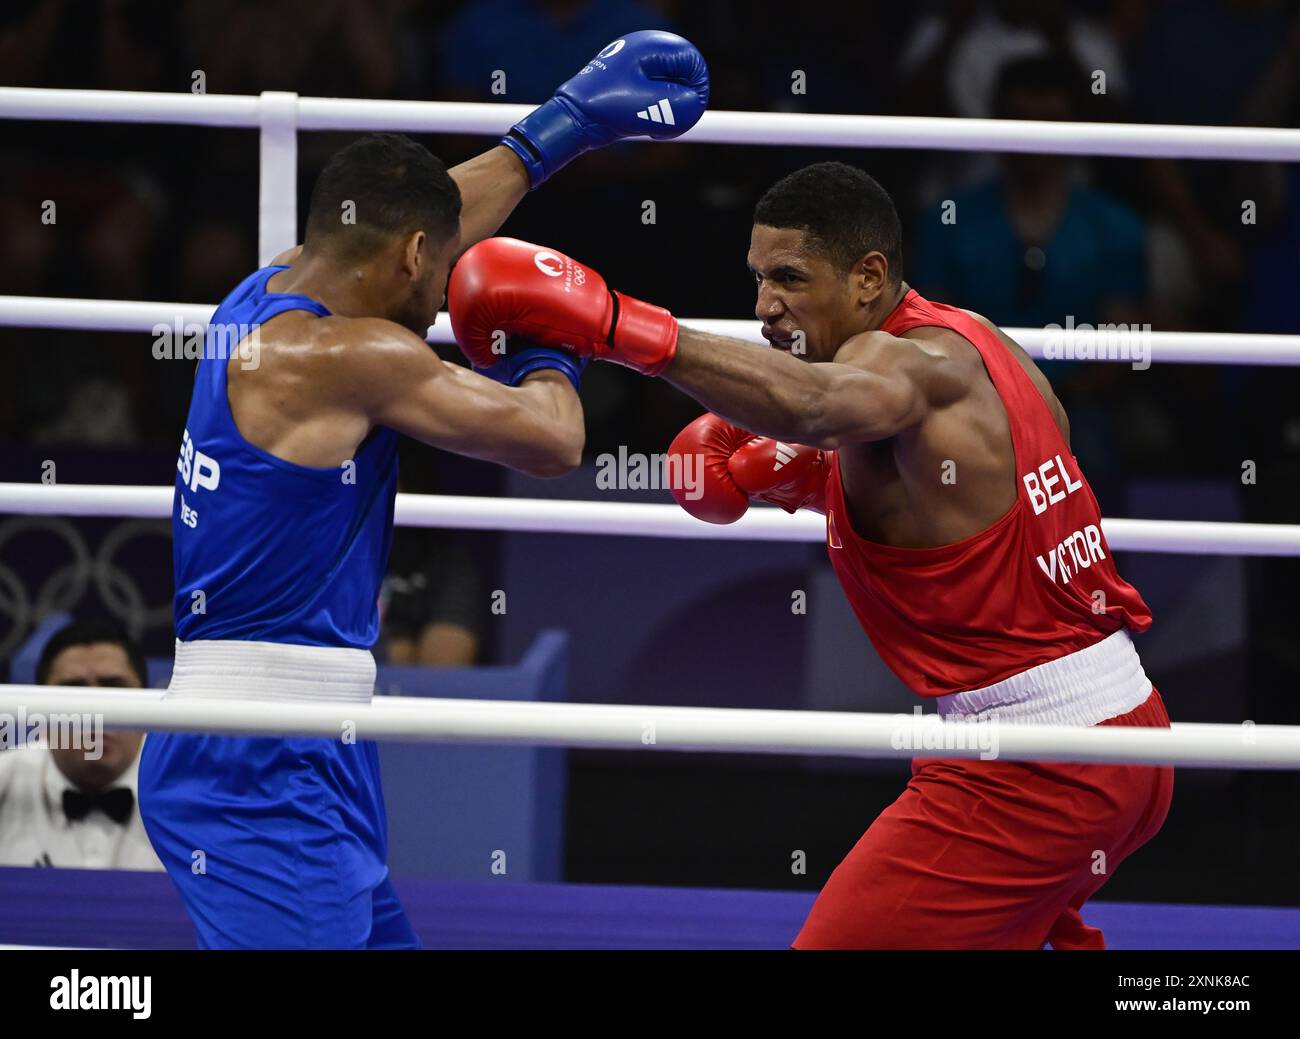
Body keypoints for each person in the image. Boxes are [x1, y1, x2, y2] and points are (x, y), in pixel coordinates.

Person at [445, 161, 1173, 950]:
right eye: (756, 279)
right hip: (1121, 726)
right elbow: (982, 514)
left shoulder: (904, 366)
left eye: (789, 277)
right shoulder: (981, 343)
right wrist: (811, 479)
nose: (764, 307)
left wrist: (618, 324)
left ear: (869, 276)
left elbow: (817, 403)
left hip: (1036, 763)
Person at [137, 31, 709, 949]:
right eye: (441, 271)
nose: (448, 295)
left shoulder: (269, 289)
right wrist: (547, 342)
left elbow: (431, 218)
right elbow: (555, 440)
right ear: (407, 256)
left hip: (297, 741)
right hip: (258, 761)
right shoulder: (355, 356)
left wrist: (558, 130)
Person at [0, 618, 163, 871]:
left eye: (114, 688)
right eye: (73, 692)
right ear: (39, 715)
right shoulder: (4, 779)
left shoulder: (194, 793)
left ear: (148, 706)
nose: (94, 713)